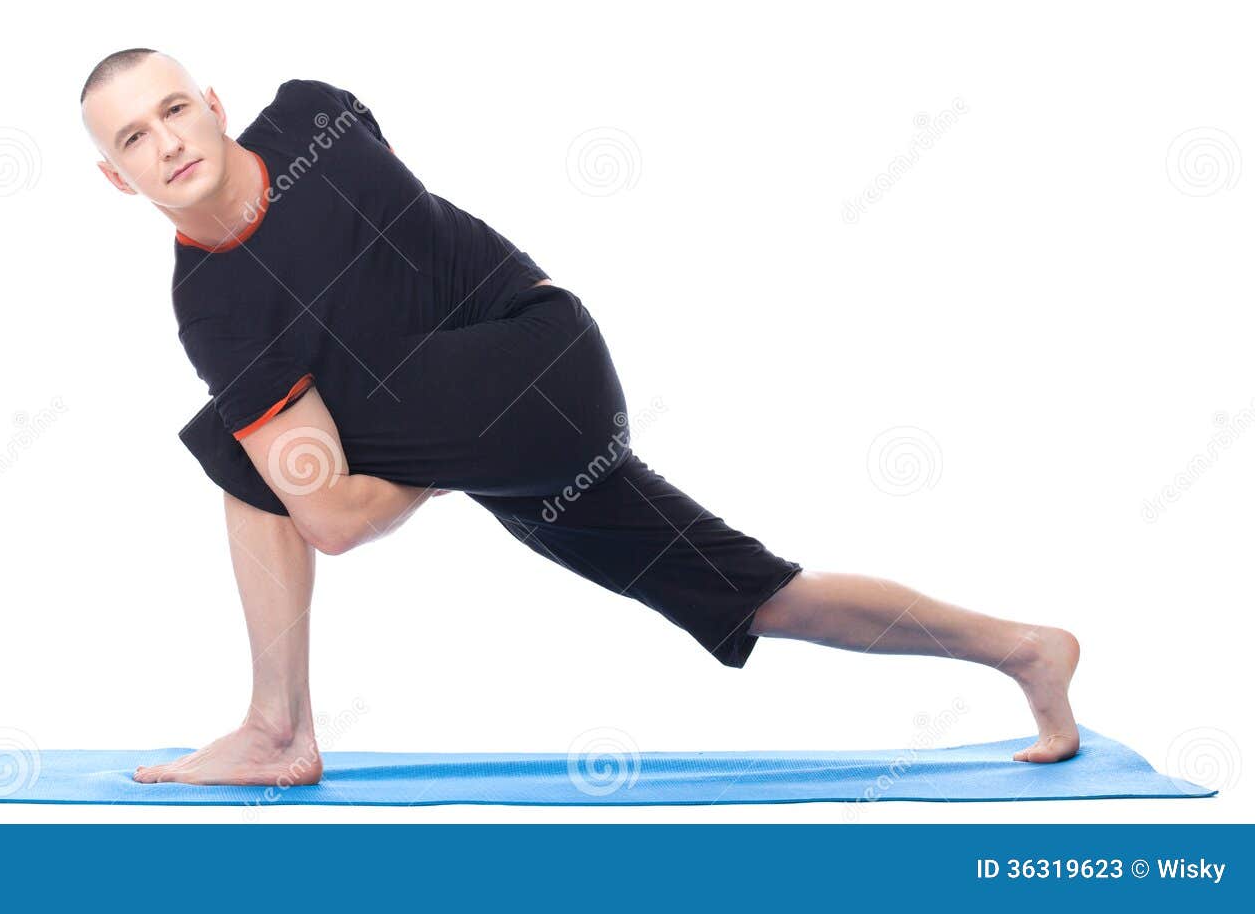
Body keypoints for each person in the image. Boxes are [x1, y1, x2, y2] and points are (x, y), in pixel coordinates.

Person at [77, 48, 1081, 787]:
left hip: (539, 356)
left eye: (173, 108)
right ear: (115, 176)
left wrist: (383, 456)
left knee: (237, 447)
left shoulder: (311, 115)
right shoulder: (214, 308)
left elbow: (334, 515)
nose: (165, 141)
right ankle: (1022, 648)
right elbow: (333, 512)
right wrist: (439, 454)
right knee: (755, 591)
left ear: (213, 103)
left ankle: (276, 726)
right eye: (133, 136)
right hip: (497, 446)